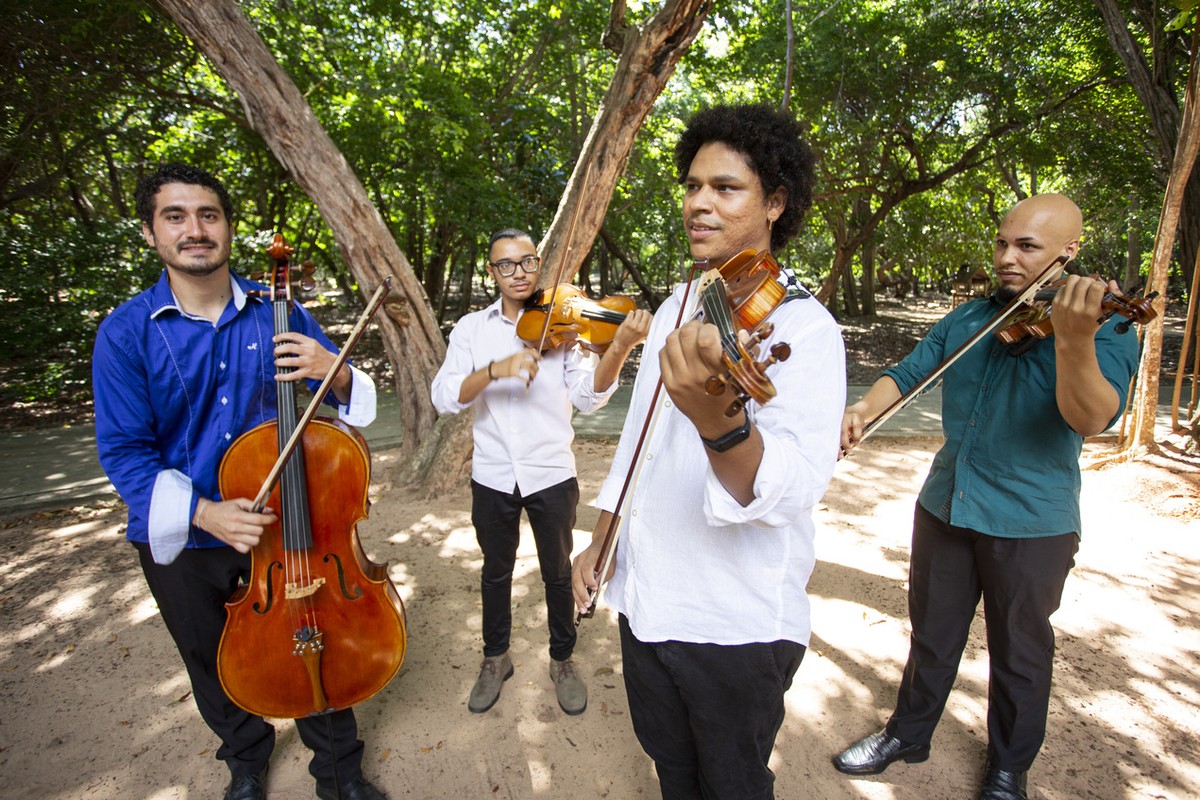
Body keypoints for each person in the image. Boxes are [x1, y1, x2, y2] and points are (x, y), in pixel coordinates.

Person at [571, 104, 846, 799]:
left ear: (775, 202)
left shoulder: (805, 329)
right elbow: (639, 441)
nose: (699, 203)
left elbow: (786, 492)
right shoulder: (679, 304)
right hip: (647, 597)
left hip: (736, 621)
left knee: (733, 782)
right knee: (673, 767)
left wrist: (722, 424)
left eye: (725, 188)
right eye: (693, 186)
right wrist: (601, 542)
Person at [831, 194, 1141, 800]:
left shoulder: (1109, 326)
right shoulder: (971, 318)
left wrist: (1073, 340)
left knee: (1020, 651)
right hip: (945, 505)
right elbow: (911, 370)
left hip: (1031, 522)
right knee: (932, 632)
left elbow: (1091, 417)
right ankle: (908, 734)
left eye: (1026, 247)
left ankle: (1008, 767)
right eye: (1003, 242)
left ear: (1067, 253)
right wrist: (865, 409)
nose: (1006, 257)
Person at [93, 163, 387, 800]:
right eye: (176, 217)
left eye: (208, 215)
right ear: (151, 233)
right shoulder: (125, 333)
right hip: (187, 531)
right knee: (209, 658)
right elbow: (125, 453)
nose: (194, 229)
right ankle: (246, 759)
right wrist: (205, 513)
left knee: (316, 635)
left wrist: (334, 373)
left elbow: (340, 403)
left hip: (287, 526)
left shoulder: (277, 310)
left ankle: (340, 772)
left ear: (227, 227)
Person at [430, 228, 652, 715]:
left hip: (551, 472)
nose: (518, 273)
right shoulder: (472, 329)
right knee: (495, 571)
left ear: (538, 264)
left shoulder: (564, 330)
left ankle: (563, 657)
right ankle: (495, 658)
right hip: (491, 474)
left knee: (557, 572)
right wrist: (495, 370)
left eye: (527, 263)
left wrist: (619, 348)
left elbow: (590, 398)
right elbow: (444, 397)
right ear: (492, 272)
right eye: (506, 265)